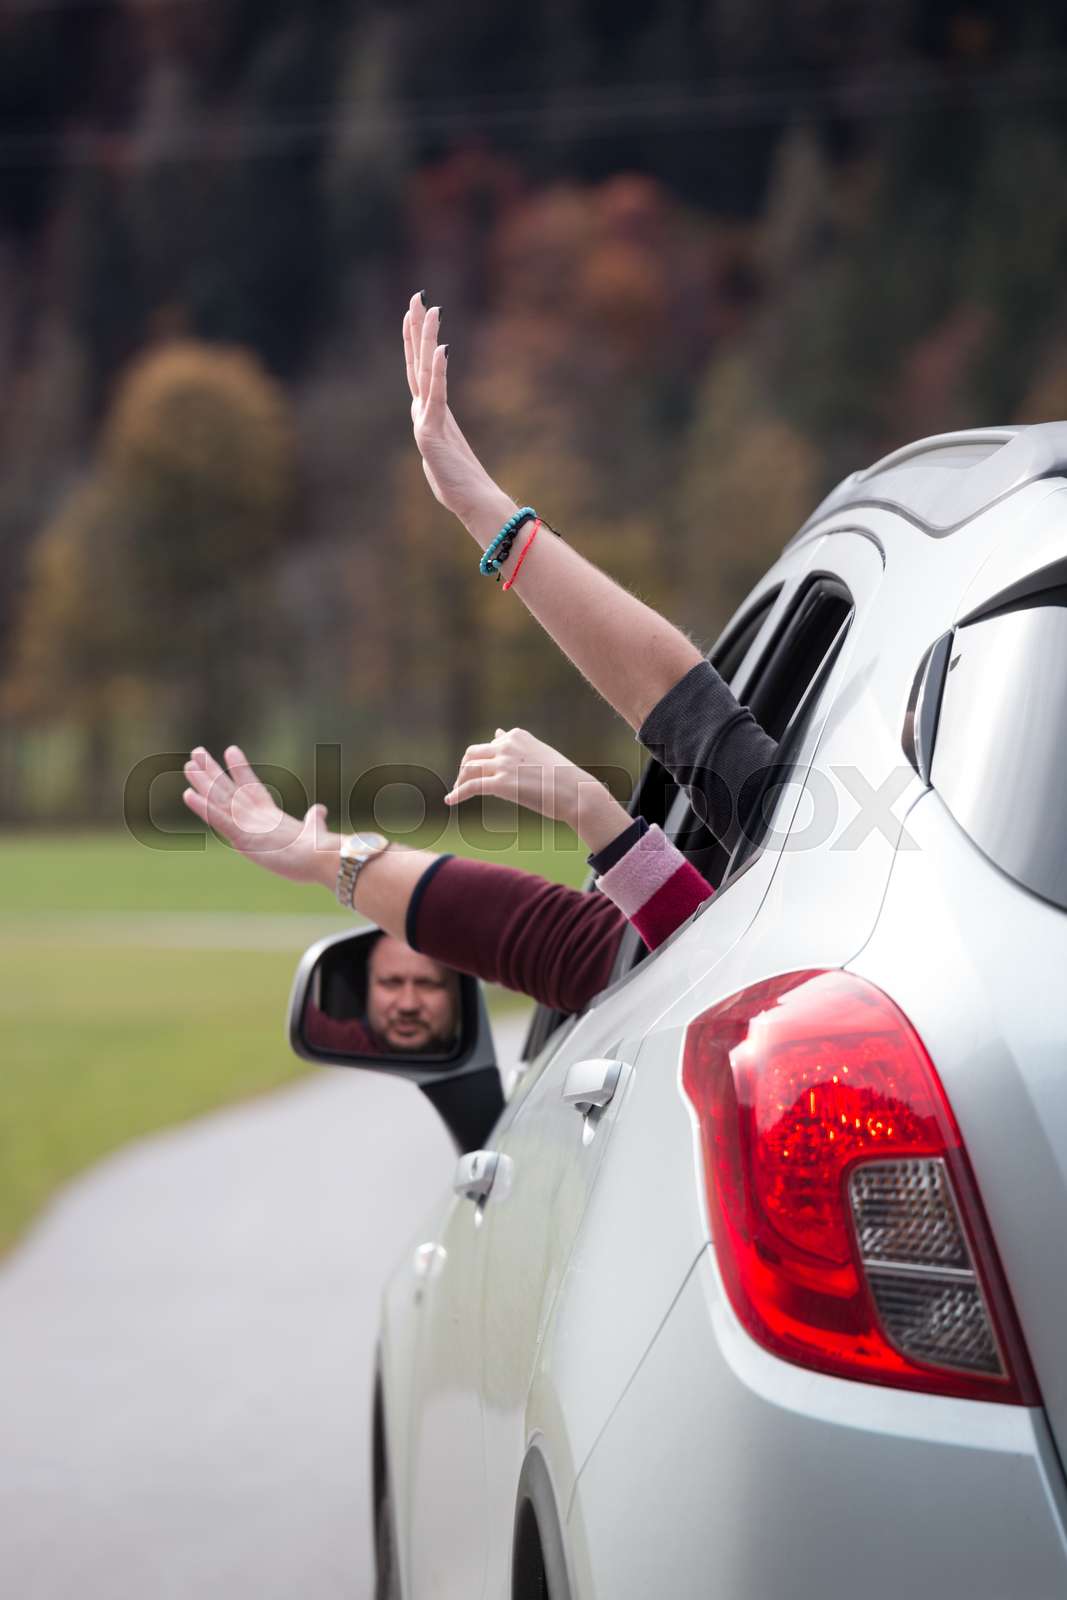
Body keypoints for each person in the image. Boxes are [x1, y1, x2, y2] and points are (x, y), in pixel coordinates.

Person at [305, 932, 460, 1056]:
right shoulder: (333, 1043)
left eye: (427, 984)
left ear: (459, 993)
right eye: (391, 983)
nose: (408, 1005)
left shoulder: (478, 1053)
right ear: (367, 988)